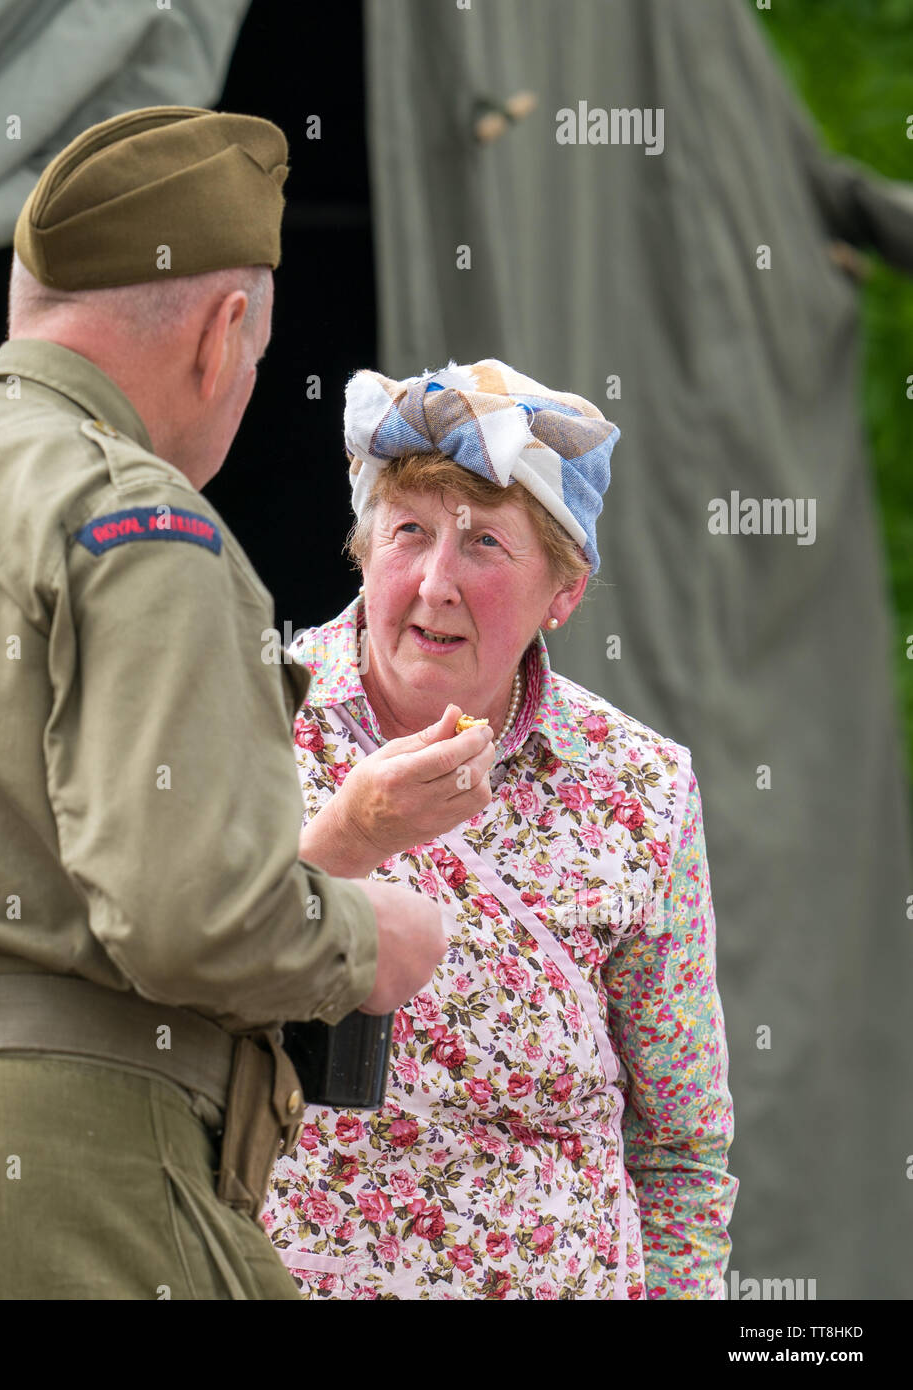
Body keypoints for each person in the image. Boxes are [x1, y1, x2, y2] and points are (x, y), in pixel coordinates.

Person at [0, 106, 445, 1300]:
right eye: (255, 361)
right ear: (221, 333)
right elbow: (189, 914)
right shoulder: (139, 520)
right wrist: (370, 939)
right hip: (46, 1181)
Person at [262, 358, 739, 1299]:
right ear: (365, 546)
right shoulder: (244, 717)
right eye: (409, 532)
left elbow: (681, 1153)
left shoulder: (636, 786)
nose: (436, 581)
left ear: (562, 592)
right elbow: (151, 1005)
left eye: (484, 544)